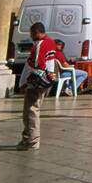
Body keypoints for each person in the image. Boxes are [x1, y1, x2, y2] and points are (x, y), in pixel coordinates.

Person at [18, 22, 72, 150]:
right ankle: (28, 137)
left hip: (36, 83)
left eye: (31, 33)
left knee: (31, 111)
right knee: (32, 110)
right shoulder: (50, 42)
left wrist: (26, 83)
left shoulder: (41, 45)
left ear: (36, 32)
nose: (30, 36)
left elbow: (39, 66)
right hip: (45, 81)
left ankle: (32, 140)